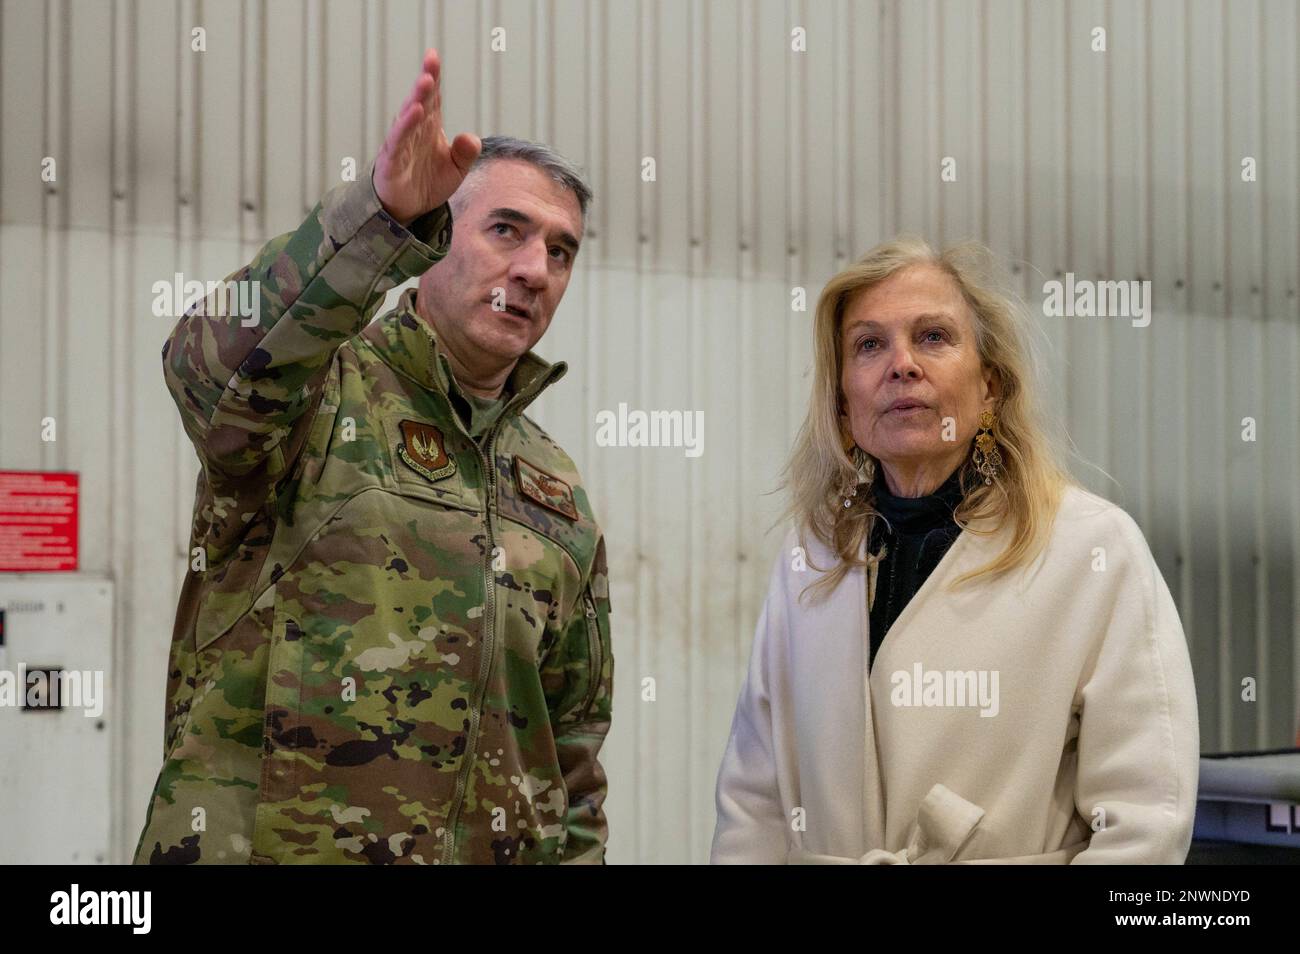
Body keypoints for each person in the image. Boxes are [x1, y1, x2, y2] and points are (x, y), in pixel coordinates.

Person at [134, 48, 612, 865]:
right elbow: (202, 370)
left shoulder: (555, 488)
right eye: (507, 230)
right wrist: (378, 218)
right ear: (435, 239)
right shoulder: (318, 392)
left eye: (561, 250)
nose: (534, 269)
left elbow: (571, 757)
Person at [710, 237, 1198, 864]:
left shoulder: (1091, 549)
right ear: (842, 402)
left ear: (990, 386)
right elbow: (755, 800)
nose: (902, 365)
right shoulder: (814, 554)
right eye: (869, 344)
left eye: (933, 337)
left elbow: (1146, 818)